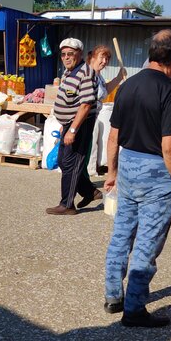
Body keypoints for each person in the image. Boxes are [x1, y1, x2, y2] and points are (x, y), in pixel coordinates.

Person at [104, 28, 171, 327]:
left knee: (122, 234)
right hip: (156, 172)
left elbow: (113, 137)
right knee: (146, 243)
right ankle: (135, 309)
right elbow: (170, 145)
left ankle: (113, 296)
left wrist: (112, 172)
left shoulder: (127, 86)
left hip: (128, 165)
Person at [46, 37, 100, 216]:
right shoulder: (69, 72)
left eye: (71, 54)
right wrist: (65, 125)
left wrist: (73, 129)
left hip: (80, 125)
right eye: (63, 54)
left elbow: (85, 105)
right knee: (63, 161)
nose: (66, 57)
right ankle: (90, 192)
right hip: (70, 124)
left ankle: (67, 204)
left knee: (71, 163)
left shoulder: (85, 72)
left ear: (80, 54)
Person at [87, 45, 127, 175]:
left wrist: (118, 78)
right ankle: (83, 176)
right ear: (93, 57)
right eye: (102, 58)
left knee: (91, 148)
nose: (104, 62)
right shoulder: (87, 74)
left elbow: (104, 91)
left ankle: (87, 174)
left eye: (107, 59)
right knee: (86, 149)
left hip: (93, 116)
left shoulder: (99, 76)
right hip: (85, 116)